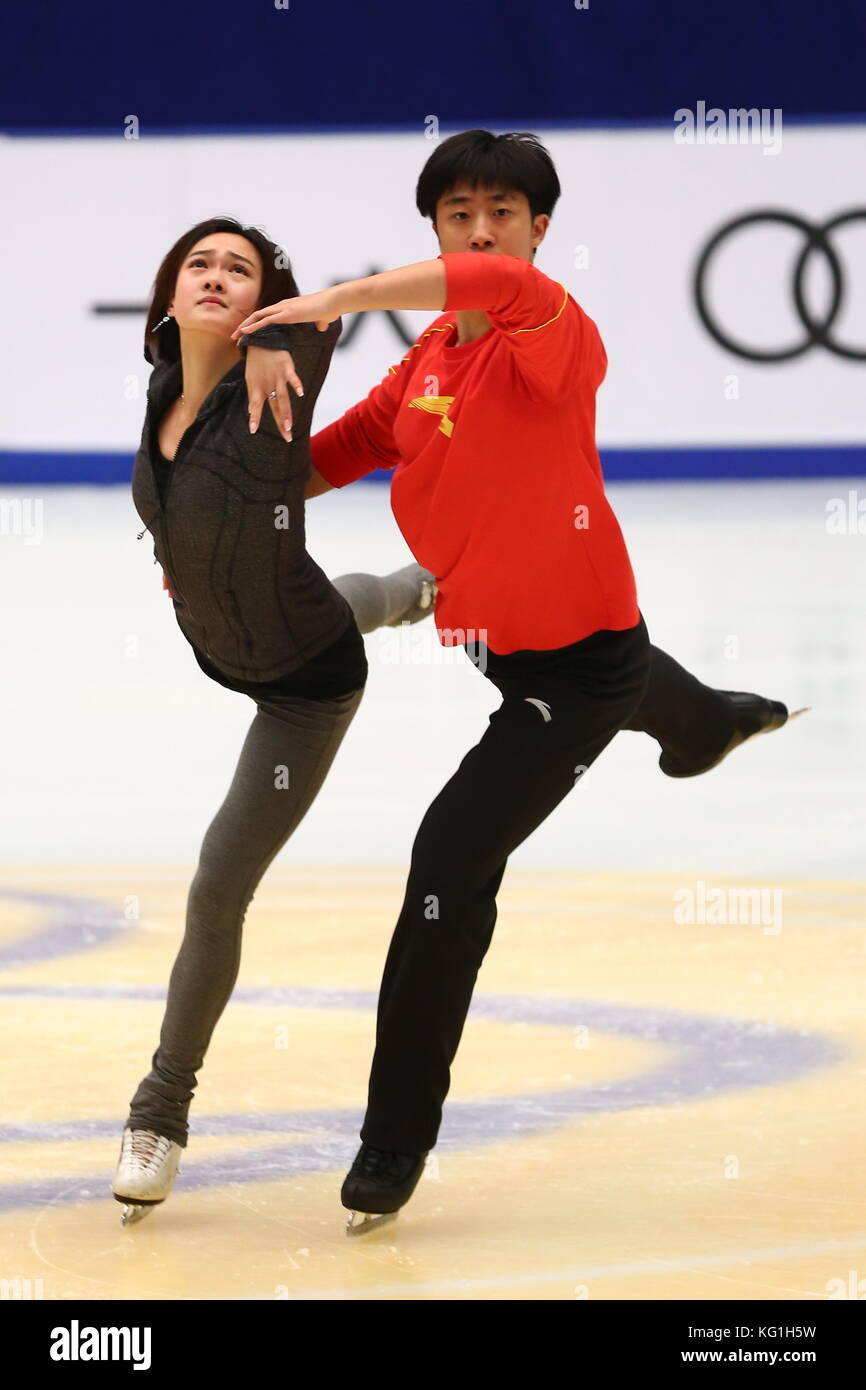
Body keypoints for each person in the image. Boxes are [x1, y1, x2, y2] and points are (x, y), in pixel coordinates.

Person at [233, 131, 808, 1234]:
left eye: (502, 211)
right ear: (435, 229)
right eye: (458, 213)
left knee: (451, 854)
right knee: (664, 697)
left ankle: (392, 1138)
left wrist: (326, 304)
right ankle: (707, 722)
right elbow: (343, 445)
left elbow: (492, 288)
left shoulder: (548, 326)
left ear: (538, 229)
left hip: (575, 667)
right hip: (497, 634)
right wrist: (222, 513)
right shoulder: (434, 350)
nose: (481, 228)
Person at [113, 216, 435, 1226]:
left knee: (216, 888)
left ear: (264, 299)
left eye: (238, 269)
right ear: (169, 295)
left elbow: (319, 329)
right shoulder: (165, 391)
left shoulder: (278, 374)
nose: (215, 276)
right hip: (239, 637)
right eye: (197, 265)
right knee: (345, 590)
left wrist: (272, 335)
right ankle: (417, 585)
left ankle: (160, 1113)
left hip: (302, 684)